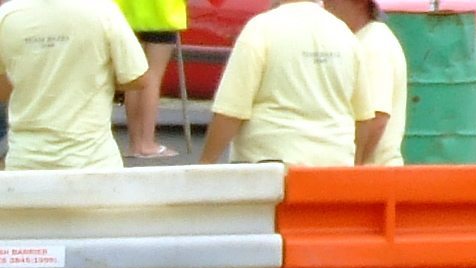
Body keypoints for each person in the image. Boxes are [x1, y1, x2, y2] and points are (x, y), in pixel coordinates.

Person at [198, 0, 374, 166]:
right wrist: (353, 165)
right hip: (333, 167)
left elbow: (230, 111)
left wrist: (205, 165)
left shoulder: (261, 29)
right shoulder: (344, 34)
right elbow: (363, 117)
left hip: (269, 165)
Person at [0, 0, 147, 170]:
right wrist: (97, 79)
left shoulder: (7, 15)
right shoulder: (102, 10)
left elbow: (3, 91)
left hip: (26, 159)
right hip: (93, 160)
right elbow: (136, 78)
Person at [325, 0, 400, 164]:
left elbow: (376, 117)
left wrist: (355, 167)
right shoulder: (356, 41)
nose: (324, 5)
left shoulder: (373, 43)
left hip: (374, 174)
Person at [113, 0, 183, 158]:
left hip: (127, 13)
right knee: (153, 76)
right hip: (162, 12)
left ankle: (135, 143)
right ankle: (147, 143)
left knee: (135, 76)